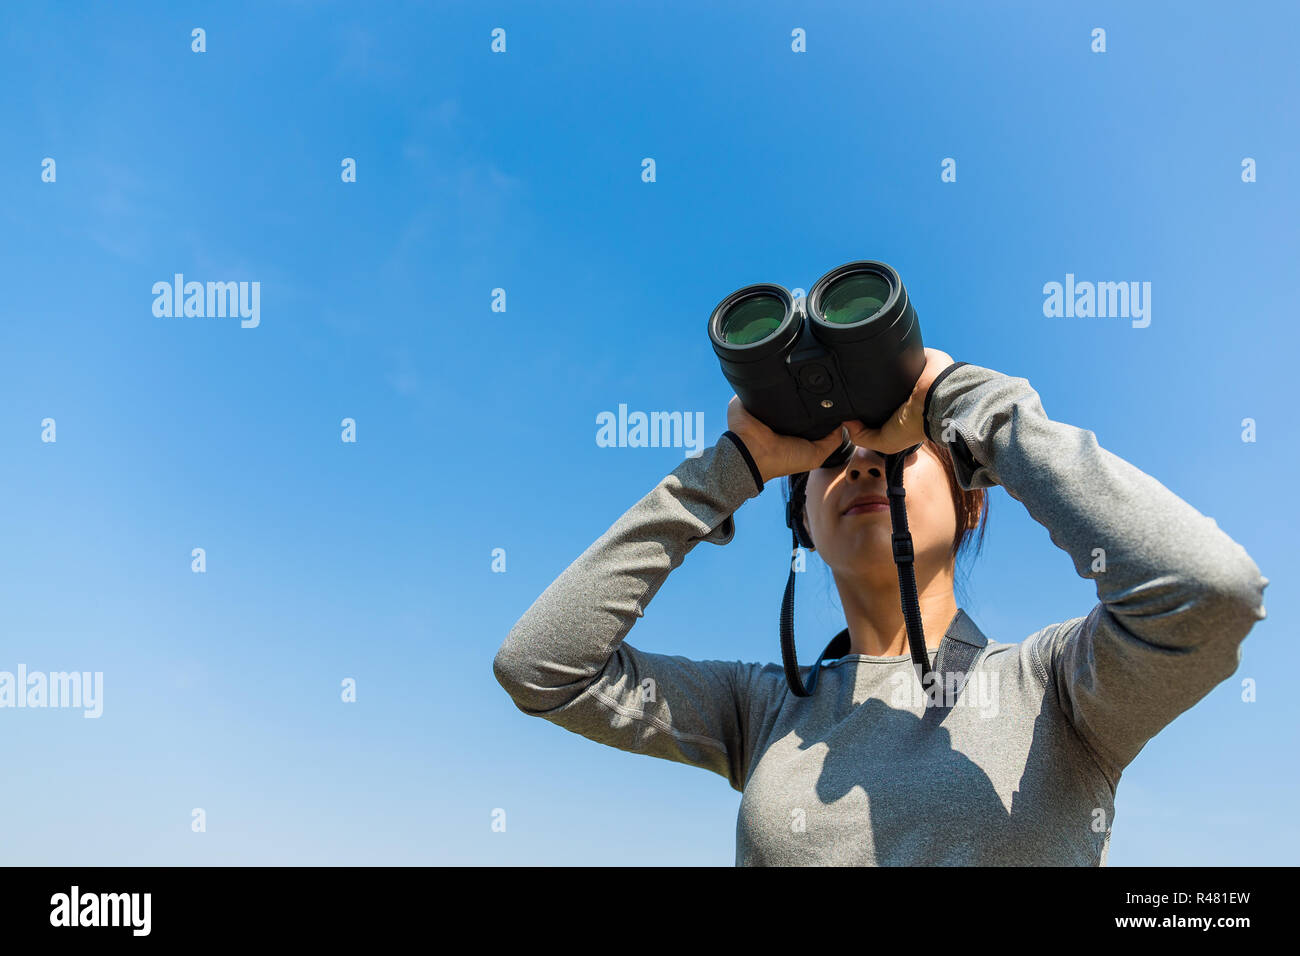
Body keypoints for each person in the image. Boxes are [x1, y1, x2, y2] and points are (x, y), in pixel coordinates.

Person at [492, 349, 1269, 865]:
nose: (860, 466)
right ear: (803, 520)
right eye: (828, 463)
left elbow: (1209, 590)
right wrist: (727, 472)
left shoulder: (1057, 686)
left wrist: (967, 402)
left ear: (973, 500)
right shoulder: (764, 708)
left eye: (895, 455)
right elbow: (540, 668)